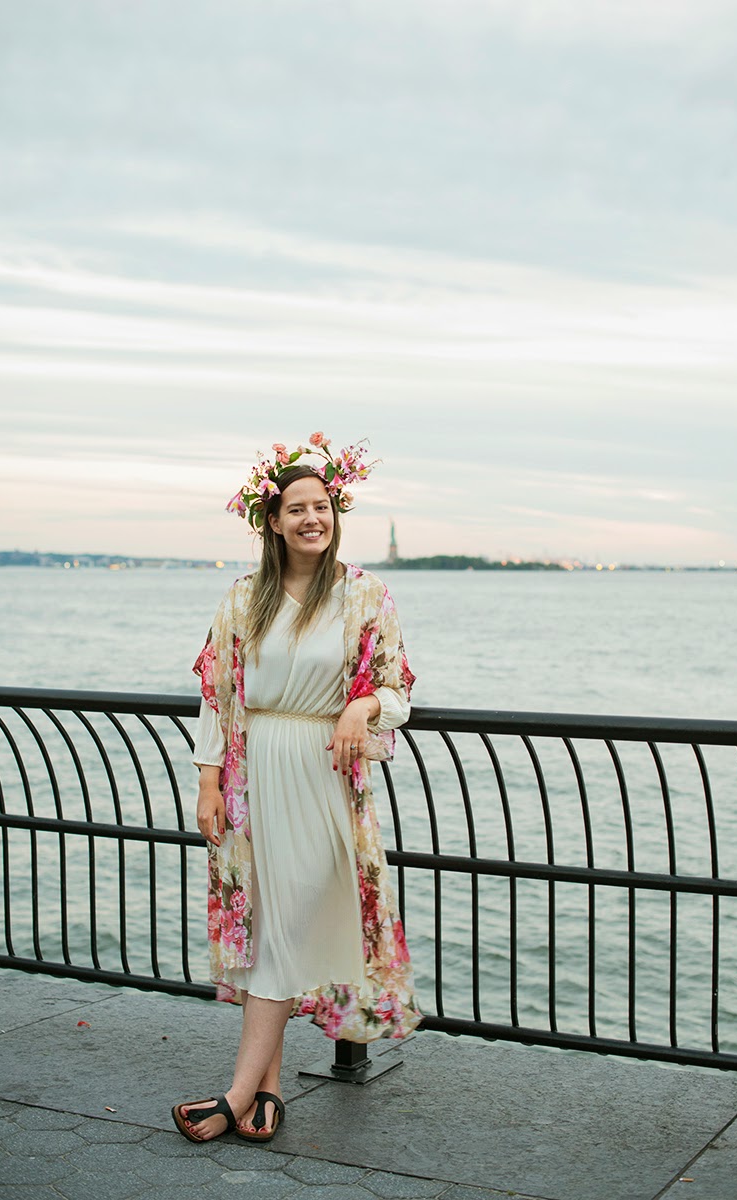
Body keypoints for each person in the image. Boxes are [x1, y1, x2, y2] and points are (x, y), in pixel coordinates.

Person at [172, 434, 421, 1144]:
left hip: (321, 777)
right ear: (273, 522)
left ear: (335, 515)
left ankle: (233, 1094)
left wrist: (360, 706)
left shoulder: (364, 595)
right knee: (264, 930)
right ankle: (269, 1091)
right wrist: (208, 783)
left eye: (322, 507)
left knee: (286, 929)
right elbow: (216, 698)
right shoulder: (242, 598)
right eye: (297, 509)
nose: (312, 519)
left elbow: (398, 692)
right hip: (251, 776)